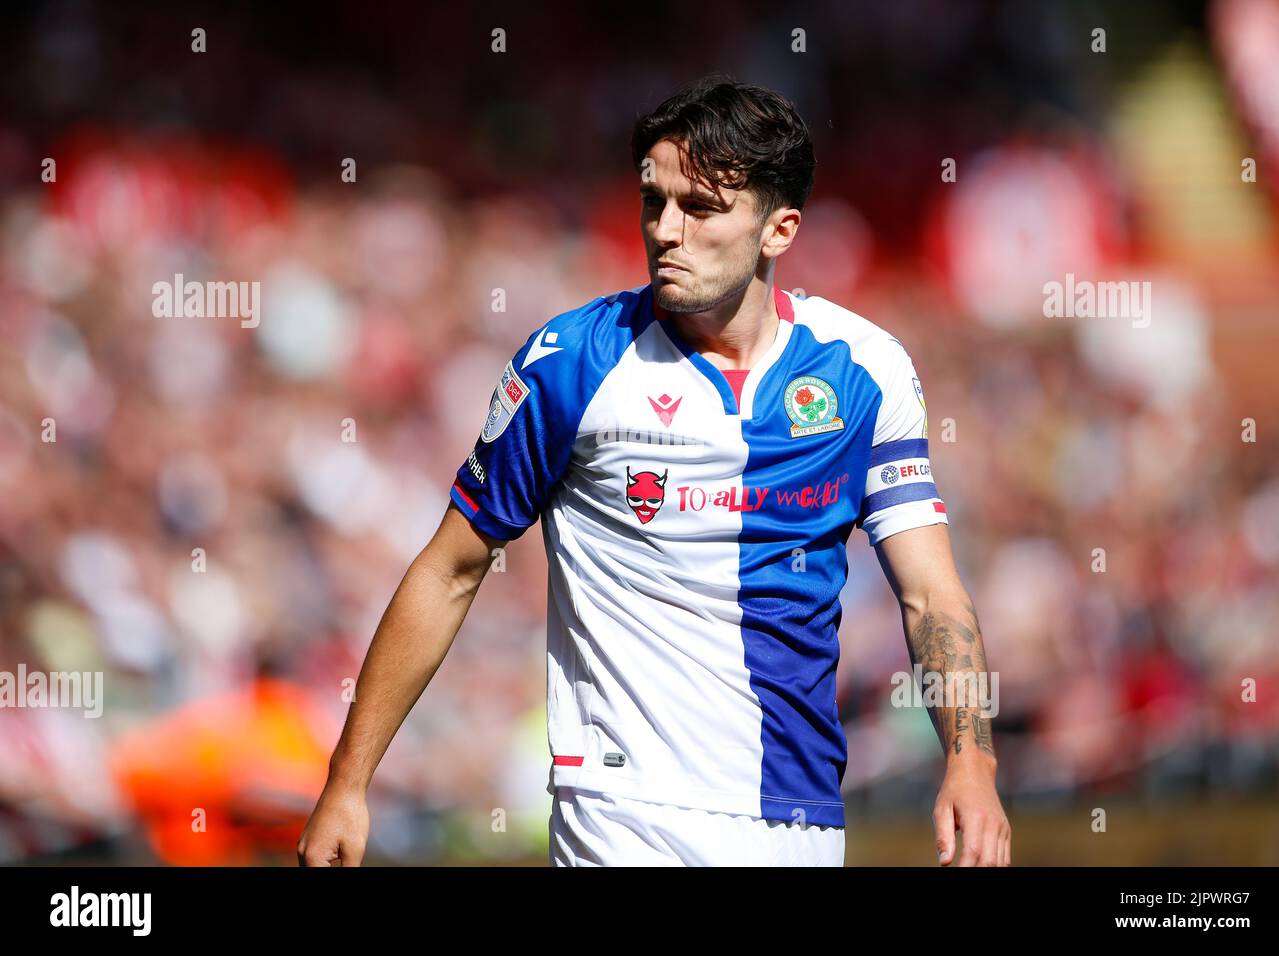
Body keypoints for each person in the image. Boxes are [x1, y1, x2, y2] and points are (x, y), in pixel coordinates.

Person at [298, 76, 1010, 867]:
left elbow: (930, 594)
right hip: (619, 810)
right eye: (653, 201)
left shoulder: (864, 373)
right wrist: (348, 781)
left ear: (779, 231)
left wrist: (971, 765)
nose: (665, 230)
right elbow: (449, 571)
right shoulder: (571, 365)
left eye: (700, 209)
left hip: (795, 813)